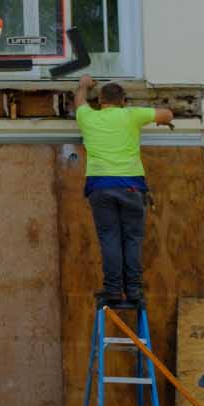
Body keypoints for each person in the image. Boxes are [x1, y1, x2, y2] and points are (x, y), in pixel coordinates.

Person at [73, 76, 173, 307]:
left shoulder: (88, 116)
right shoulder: (131, 115)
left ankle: (113, 290)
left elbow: (79, 101)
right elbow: (167, 114)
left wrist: (83, 85)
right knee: (132, 240)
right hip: (131, 187)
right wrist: (156, 118)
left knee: (109, 239)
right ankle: (135, 291)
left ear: (100, 100)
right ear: (123, 101)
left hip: (100, 187)